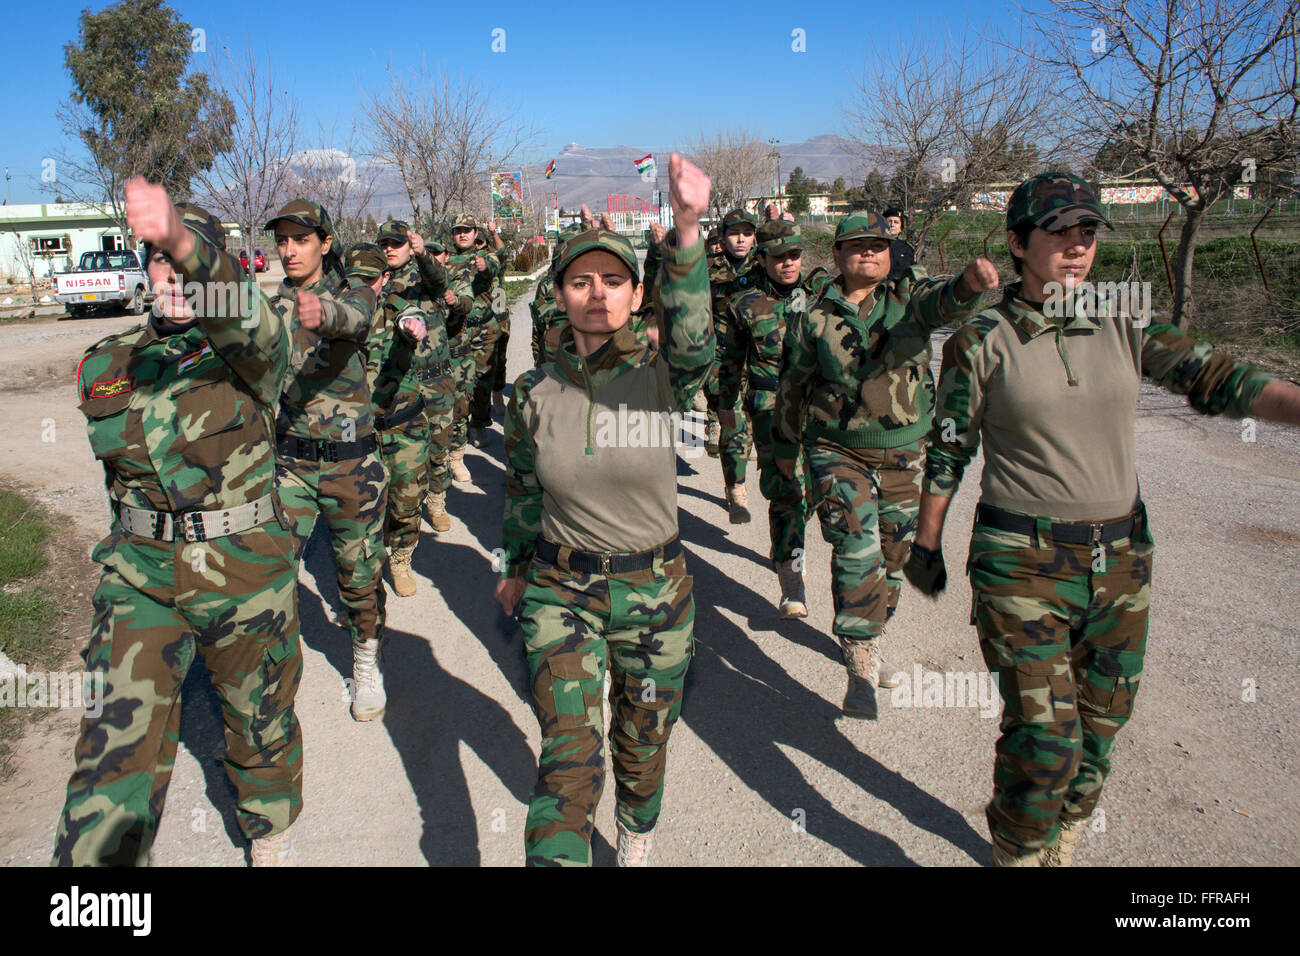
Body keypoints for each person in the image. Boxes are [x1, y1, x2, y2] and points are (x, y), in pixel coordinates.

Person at [909, 172, 1300, 866]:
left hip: (1120, 559)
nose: (1077, 246)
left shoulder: (1125, 316)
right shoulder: (979, 341)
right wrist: (929, 540)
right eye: (1059, 232)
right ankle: (1018, 850)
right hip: (1019, 559)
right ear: (1018, 242)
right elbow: (949, 448)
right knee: (1043, 736)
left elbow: (1218, 379)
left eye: (1087, 233)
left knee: (1102, 721)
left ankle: (1068, 826)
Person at [54, 179, 302, 866]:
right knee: (111, 748)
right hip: (140, 576)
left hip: (242, 567)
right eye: (155, 257)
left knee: (257, 719)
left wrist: (185, 243)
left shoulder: (250, 351)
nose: (168, 274)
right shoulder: (105, 363)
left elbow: (250, 321)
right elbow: (116, 482)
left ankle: (267, 828)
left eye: (180, 260)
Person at [494, 152, 714, 867]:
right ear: (558, 293)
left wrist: (686, 230)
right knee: (568, 761)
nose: (597, 293)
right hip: (562, 596)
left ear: (635, 292)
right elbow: (524, 490)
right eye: (581, 280)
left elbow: (694, 342)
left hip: (656, 593)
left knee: (642, 745)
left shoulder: (660, 376)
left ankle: (637, 829)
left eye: (613, 281)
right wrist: (514, 566)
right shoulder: (531, 393)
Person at [772, 211, 998, 719]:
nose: (868, 253)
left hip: (905, 450)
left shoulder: (908, 295)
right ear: (837, 255)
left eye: (877, 244)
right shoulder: (814, 311)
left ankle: (874, 629)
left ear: (890, 250)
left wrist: (968, 285)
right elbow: (793, 381)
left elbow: (946, 303)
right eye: (855, 246)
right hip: (837, 449)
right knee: (857, 545)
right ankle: (859, 656)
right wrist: (785, 447)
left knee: (893, 555)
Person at [264, 199, 386, 722]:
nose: (290, 250)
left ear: (325, 243)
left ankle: (365, 661)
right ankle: (267, 675)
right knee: (267, 569)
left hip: (350, 465)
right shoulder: (270, 308)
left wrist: (323, 313)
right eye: (283, 240)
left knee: (358, 578)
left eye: (301, 239)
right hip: (290, 465)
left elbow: (356, 317)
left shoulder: (350, 290)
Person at [718, 219, 830, 618]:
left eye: (795, 255)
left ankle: (783, 546)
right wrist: (726, 406)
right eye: (779, 256)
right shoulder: (744, 305)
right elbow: (730, 363)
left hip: (819, 409)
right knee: (788, 493)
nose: (788, 263)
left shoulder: (822, 299)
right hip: (769, 408)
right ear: (762, 259)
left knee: (816, 492)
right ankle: (791, 580)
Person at [350, 241, 435, 598]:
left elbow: (411, 318)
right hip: (357, 432)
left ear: (384, 278)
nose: (361, 289)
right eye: (354, 281)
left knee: (406, 498)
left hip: (403, 425)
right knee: (359, 512)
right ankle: (362, 586)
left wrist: (413, 326)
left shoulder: (397, 307)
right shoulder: (339, 318)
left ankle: (401, 557)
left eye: (369, 280)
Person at [375, 220, 466, 535]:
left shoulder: (424, 276)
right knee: (401, 458)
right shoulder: (376, 281)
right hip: (400, 387)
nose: (389, 249)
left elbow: (440, 282)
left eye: (396, 243)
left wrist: (423, 254)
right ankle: (400, 514)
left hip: (436, 381)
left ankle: (437, 500)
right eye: (384, 243)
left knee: (440, 447)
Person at [708, 208, 759, 519]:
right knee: (733, 423)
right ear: (723, 236)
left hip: (759, 359)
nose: (741, 239)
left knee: (753, 424)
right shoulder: (707, 268)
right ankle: (736, 489)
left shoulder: (765, 265)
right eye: (734, 233)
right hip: (722, 357)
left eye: (747, 233)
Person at [445, 215, 498, 480]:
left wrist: (485, 265)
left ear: (475, 232)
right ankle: (457, 452)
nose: (462, 235)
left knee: (483, 381)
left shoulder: (484, 257)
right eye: (458, 231)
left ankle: (480, 423)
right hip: (456, 332)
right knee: (460, 390)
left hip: (484, 328)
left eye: (467, 230)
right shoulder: (444, 260)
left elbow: (494, 265)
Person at [882, 205, 916, 282]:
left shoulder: (906, 248)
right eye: (889, 222)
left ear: (901, 228)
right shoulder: (875, 246)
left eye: (896, 222)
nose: (892, 225)